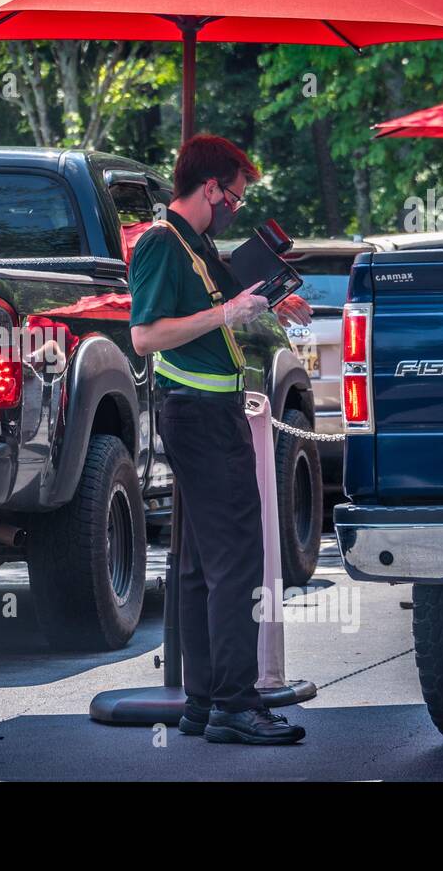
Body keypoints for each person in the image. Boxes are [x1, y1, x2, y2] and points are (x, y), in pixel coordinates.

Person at [128, 134, 311, 745]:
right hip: (199, 415)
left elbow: (217, 308)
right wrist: (226, 316)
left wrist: (264, 307)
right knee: (236, 559)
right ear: (209, 187)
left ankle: (205, 702)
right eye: (233, 193)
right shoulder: (161, 243)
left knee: (205, 562)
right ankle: (235, 703)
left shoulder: (196, 244)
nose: (235, 204)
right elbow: (146, 336)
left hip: (208, 413)